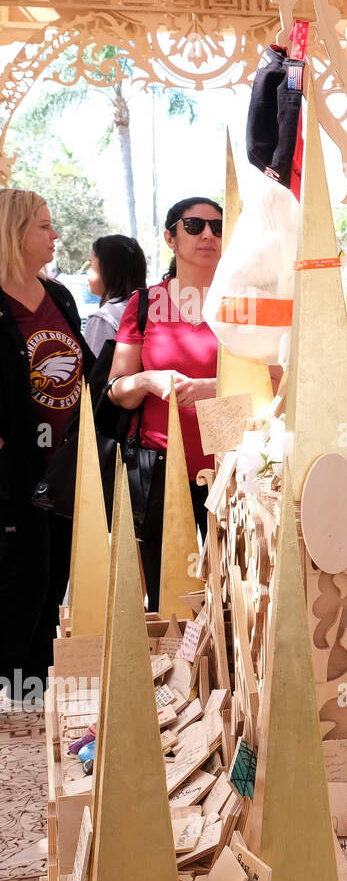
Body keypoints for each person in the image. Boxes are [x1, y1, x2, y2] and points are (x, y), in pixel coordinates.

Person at [0, 189, 93, 708]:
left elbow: (82, 367)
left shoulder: (59, 297)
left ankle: (32, 694)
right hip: (13, 471)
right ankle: (12, 689)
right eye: (43, 226)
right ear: (14, 233)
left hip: (65, 466)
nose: (55, 235)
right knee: (20, 579)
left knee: (55, 578)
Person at [107, 196, 222, 611]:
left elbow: (278, 380)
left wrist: (215, 387)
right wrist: (146, 380)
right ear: (170, 238)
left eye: (217, 227)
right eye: (194, 226)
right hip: (158, 469)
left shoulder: (241, 301)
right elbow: (116, 388)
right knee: (167, 599)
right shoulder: (144, 304)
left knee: (233, 597)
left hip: (228, 472)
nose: (207, 235)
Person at [83, 234, 148, 357]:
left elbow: (98, 367)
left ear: (109, 270)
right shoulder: (151, 307)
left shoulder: (104, 319)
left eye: (91, 264)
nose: (87, 271)